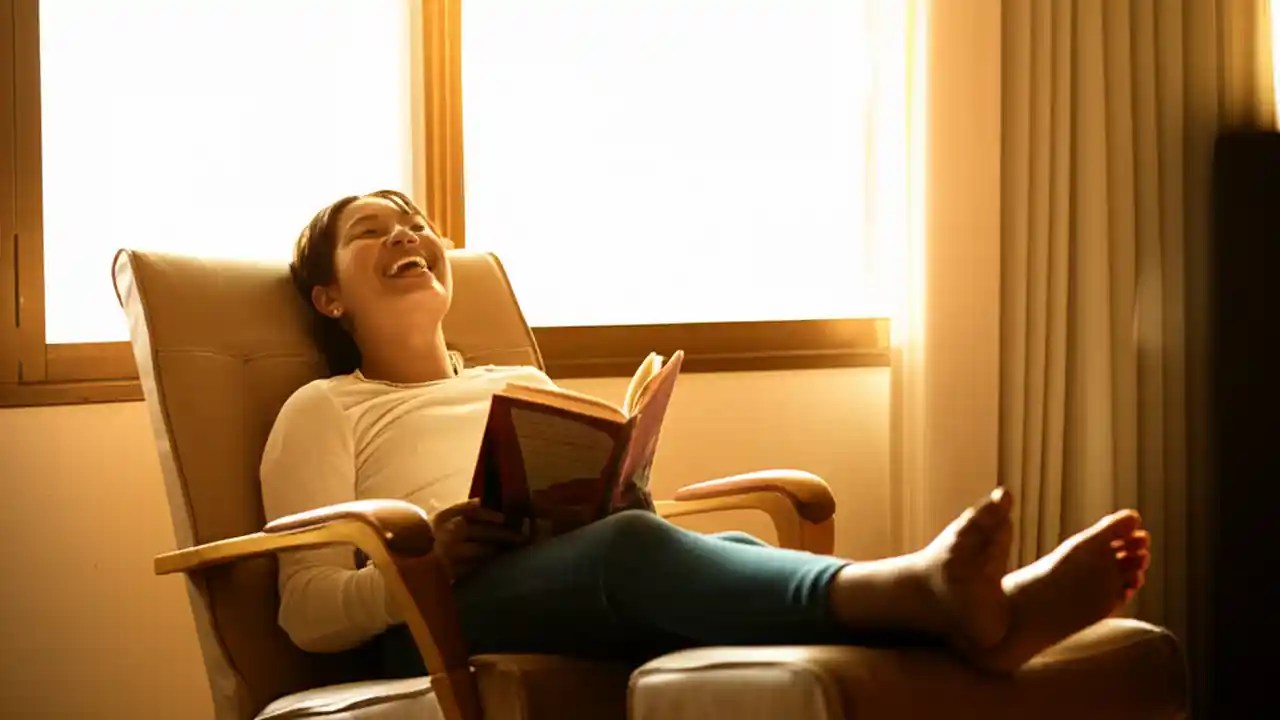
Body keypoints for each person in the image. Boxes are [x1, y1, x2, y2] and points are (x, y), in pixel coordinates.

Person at [261, 190, 1151, 678]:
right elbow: (303, 611)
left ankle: (981, 632)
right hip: (431, 624)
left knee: (718, 547)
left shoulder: (519, 386)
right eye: (371, 230)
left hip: (555, 580)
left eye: (415, 222)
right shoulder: (324, 408)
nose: (405, 232)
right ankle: (926, 589)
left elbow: (606, 525)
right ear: (329, 298)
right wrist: (427, 563)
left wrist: (619, 487)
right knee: (633, 554)